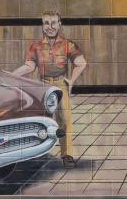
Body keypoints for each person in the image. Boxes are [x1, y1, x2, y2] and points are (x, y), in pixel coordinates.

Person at [14, 9, 87, 167]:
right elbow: (29, 66)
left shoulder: (68, 44)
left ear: (59, 24)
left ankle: (67, 155)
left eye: (53, 23)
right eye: (46, 23)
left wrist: (72, 80)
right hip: (43, 86)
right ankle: (35, 153)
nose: (50, 26)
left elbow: (81, 63)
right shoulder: (36, 46)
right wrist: (12, 75)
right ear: (42, 25)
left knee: (65, 120)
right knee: (39, 121)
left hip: (61, 85)